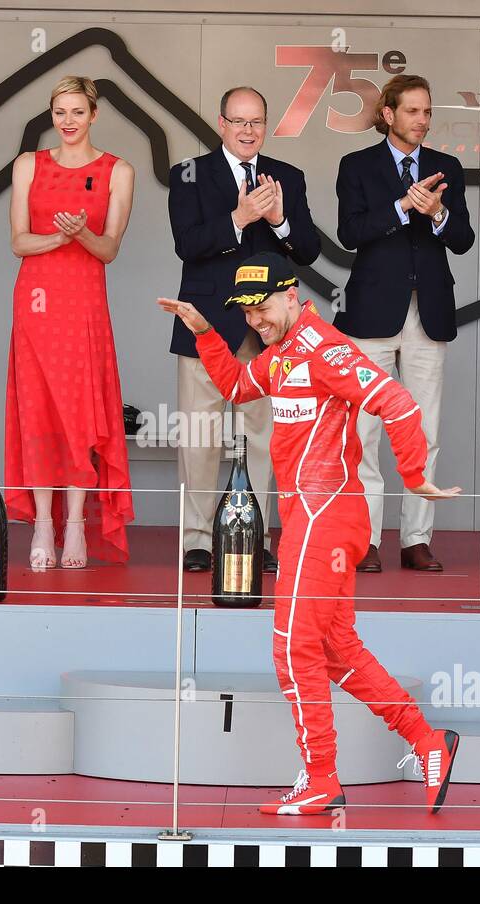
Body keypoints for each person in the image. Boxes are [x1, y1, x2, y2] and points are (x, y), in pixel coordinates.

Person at [158, 253, 462, 816]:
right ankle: (427, 741)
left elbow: (396, 403)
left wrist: (416, 478)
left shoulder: (328, 349)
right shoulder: (278, 357)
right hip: (309, 520)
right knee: (334, 649)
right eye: (246, 310)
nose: (255, 318)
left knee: (292, 647)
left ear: (294, 294)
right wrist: (204, 331)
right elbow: (231, 384)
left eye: (263, 305)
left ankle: (321, 777)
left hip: (329, 517)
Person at [167, 86, 321, 574]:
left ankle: (254, 533)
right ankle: (198, 539)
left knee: (264, 438)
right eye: (239, 121)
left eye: (257, 121)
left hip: (269, 331)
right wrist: (238, 218)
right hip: (209, 323)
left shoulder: (287, 177)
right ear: (221, 123)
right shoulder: (189, 174)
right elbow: (186, 244)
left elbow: (309, 250)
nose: (249, 130)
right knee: (201, 435)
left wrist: (277, 220)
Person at [335, 75, 474, 573]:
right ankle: (365, 538)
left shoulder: (446, 167)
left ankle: (416, 538)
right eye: (412, 111)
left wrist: (437, 212)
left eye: (427, 111)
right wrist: (401, 206)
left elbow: (463, 239)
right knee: (364, 432)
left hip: (428, 311)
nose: (422, 120)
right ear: (388, 114)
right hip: (372, 312)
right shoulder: (357, 166)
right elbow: (349, 232)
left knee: (424, 430)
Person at [4, 76, 136, 570]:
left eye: (77, 112)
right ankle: (42, 522)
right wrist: (62, 239)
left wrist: (83, 234)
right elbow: (19, 240)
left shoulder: (117, 170)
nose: (68, 121)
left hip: (84, 302)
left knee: (80, 413)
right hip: (35, 304)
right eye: (60, 112)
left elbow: (109, 249)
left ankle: (76, 523)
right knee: (37, 413)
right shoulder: (27, 165)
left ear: (94, 115)